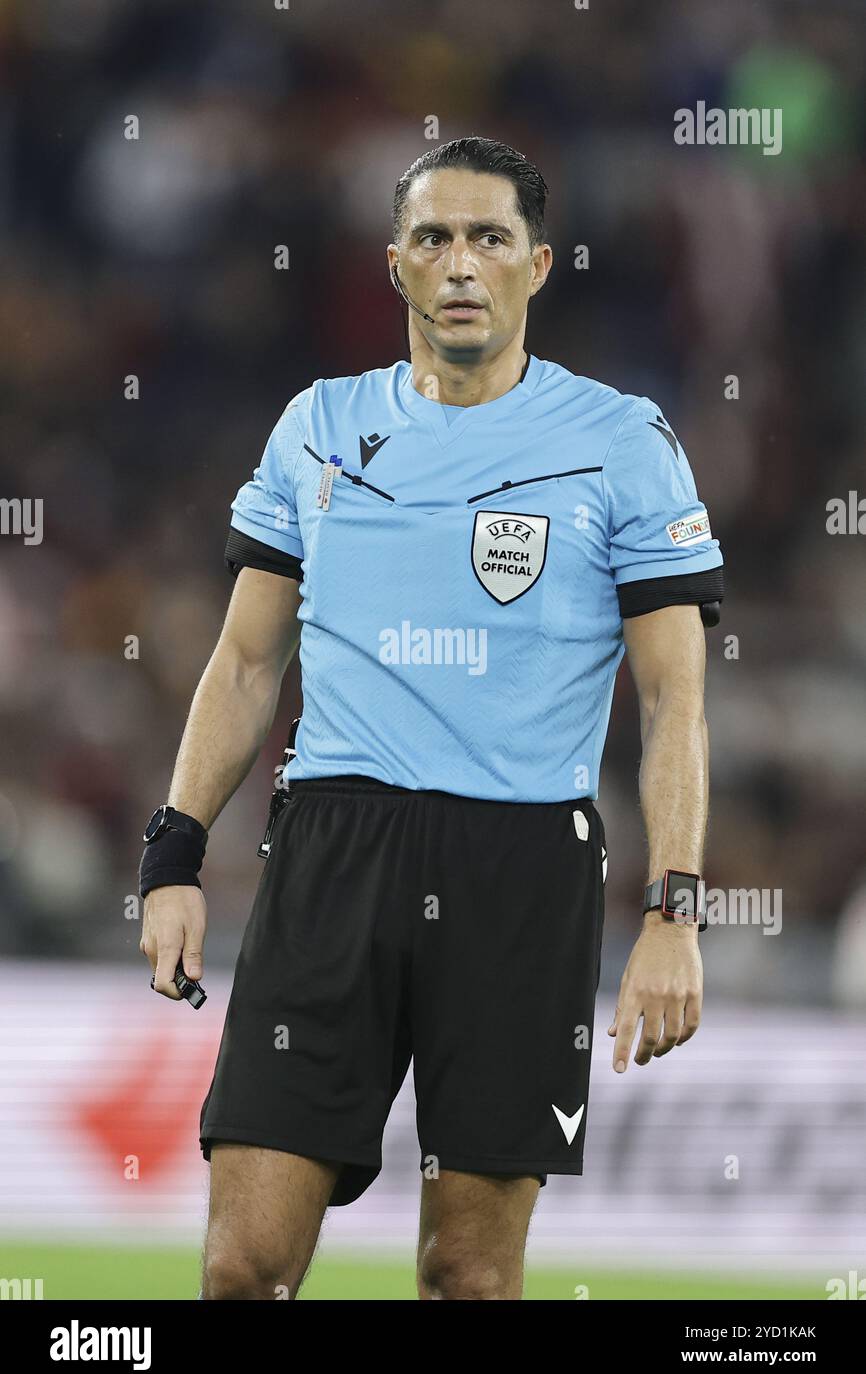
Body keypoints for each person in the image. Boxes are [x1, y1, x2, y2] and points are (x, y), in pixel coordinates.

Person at [139, 136, 723, 1301]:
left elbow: (671, 699)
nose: (461, 263)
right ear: (396, 263)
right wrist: (174, 851)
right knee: (241, 1266)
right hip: (333, 851)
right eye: (434, 238)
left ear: (539, 264)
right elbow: (247, 661)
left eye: (489, 238)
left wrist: (673, 909)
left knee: (468, 1277)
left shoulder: (622, 443)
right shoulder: (317, 425)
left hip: (520, 866)